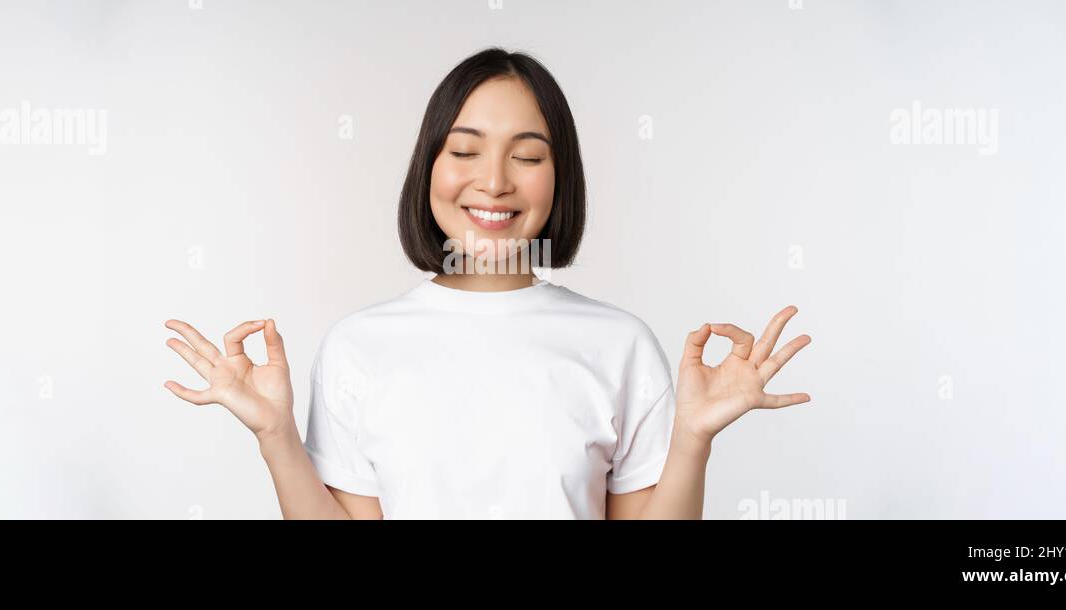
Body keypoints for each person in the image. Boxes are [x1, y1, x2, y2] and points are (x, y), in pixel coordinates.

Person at [162, 47, 811, 519]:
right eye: (465, 151)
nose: (495, 182)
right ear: (429, 166)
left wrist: (692, 439)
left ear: (560, 178)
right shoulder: (357, 345)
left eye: (527, 156)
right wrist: (276, 437)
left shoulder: (620, 344)